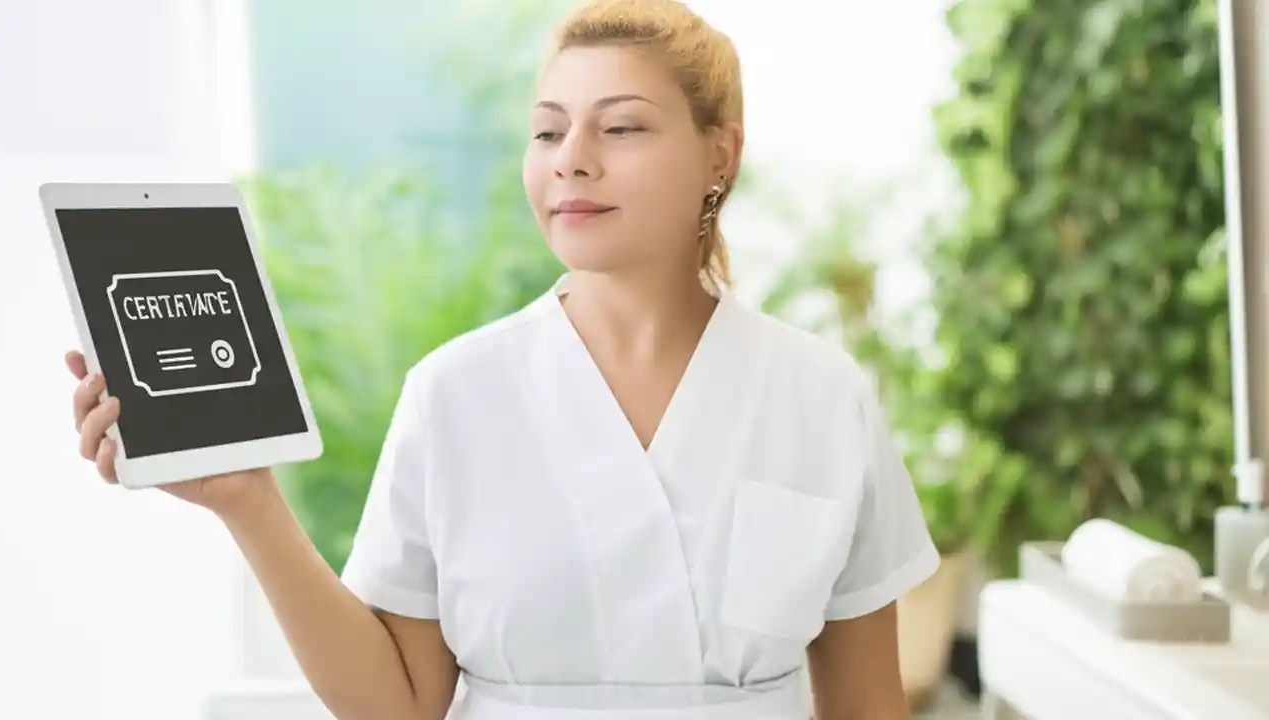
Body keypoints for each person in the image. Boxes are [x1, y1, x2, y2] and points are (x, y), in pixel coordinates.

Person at [65, 1, 939, 717]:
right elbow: (398, 706)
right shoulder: (455, 393)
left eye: (620, 128)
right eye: (548, 133)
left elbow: (868, 705)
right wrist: (248, 504)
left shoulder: (822, 397)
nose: (574, 162)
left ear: (721, 154)